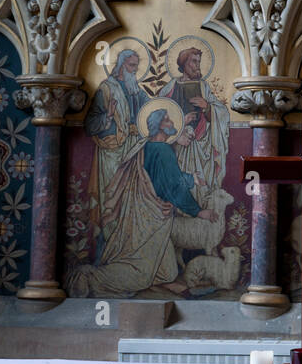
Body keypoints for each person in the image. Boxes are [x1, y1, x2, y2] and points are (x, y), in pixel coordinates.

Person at [66, 107, 221, 297]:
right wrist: (198, 211)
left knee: (168, 272)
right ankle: (90, 278)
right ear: (159, 127)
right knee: (140, 271)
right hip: (151, 216)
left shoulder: (144, 146)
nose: (172, 123)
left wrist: (190, 178)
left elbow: (160, 178)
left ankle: (177, 288)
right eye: (167, 120)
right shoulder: (163, 150)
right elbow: (173, 186)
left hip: (140, 212)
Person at [84, 48, 149, 258]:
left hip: (134, 151)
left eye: (136, 68)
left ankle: (129, 252)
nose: (134, 71)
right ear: (121, 66)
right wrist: (109, 117)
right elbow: (90, 124)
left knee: (133, 200)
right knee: (113, 200)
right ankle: (108, 252)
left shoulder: (136, 91)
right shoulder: (106, 89)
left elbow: (152, 110)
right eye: (131, 66)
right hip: (112, 153)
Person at [158, 46, 229, 194]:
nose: (197, 65)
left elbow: (222, 113)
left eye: (199, 62)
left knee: (201, 187)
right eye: (193, 61)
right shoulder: (169, 88)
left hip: (201, 143)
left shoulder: (203, 87)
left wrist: (207, 107)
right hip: (178, 143)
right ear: (184, 64)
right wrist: (181, 123)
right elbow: (159, 117)